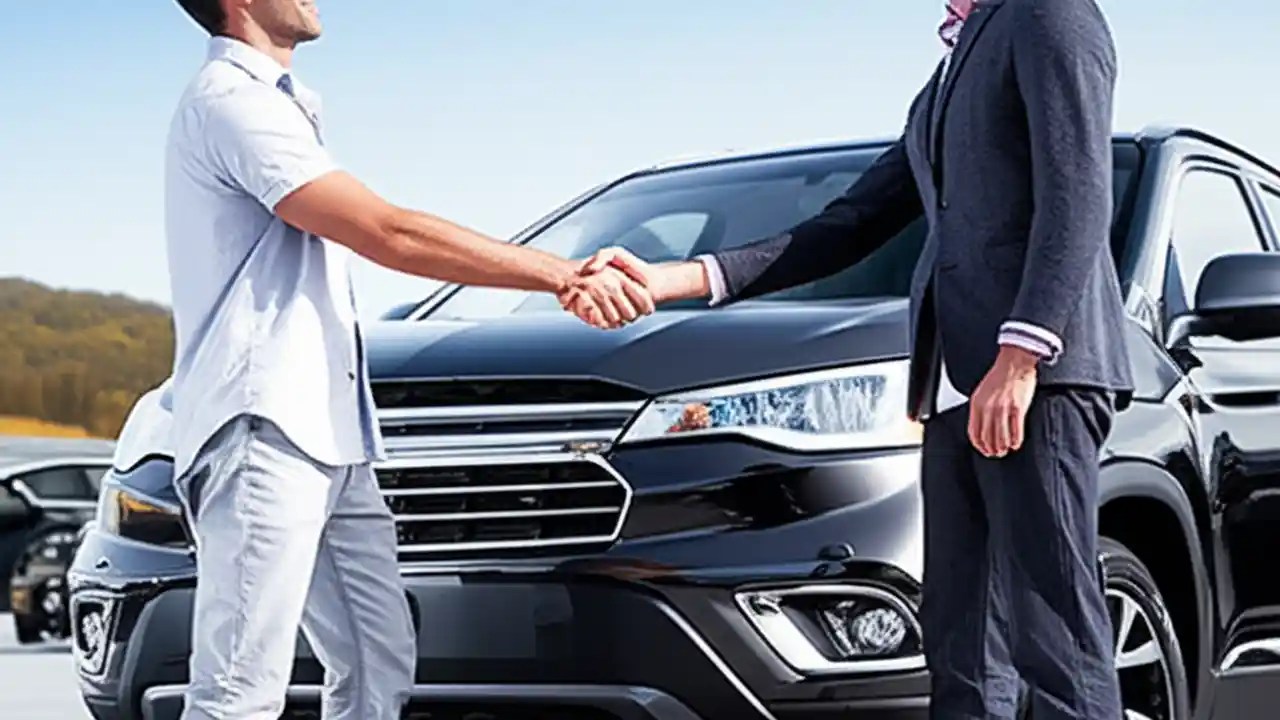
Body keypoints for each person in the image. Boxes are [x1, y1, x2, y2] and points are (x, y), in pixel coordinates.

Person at [572, 1, 1132, 718]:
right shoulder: (949, 72)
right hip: (957, 381)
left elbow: (1078, 191)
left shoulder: (1048, 13)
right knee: (960, 642)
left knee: (1055, 631)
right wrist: (674, 279)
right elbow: (850, 223)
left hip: (1035, 377)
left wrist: (1021, 355)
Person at [164, 1, 652, 718]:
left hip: (331, 437)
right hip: (262, 430)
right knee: (237, 690)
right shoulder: (233, 105)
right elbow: (387, 232)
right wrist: (562, 275)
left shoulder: (283, 107)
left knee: (374, 659)